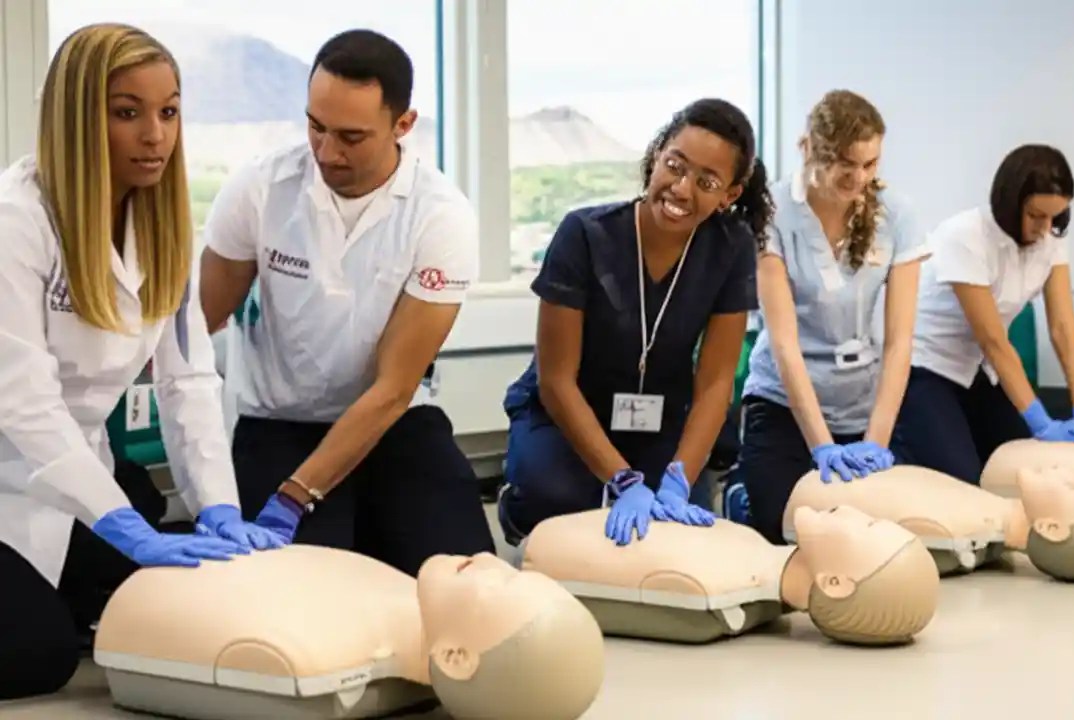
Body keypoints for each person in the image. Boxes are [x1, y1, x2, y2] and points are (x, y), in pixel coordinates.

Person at [0, 24, 288, 701]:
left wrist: (218, 506)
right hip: (14, 462)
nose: (155, 135)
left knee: (187, 594)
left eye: (168, 110)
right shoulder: (17, 221)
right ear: (78, 117)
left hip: (77, 476)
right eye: (127, 113)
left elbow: (187, 379)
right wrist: (122, 526)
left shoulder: (161, 222)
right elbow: (23, 403)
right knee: (35, 658)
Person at [198, 29, 495, 576]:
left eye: (351, 137)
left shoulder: (439, 216)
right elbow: (198, 323)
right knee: (302, 589)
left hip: (391, 421)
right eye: (316, 126)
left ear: (403, 125)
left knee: (462, 576)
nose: (327, 152)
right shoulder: (259, 188)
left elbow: (393, 388)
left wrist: (295, 497)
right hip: (279, 422)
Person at [496, 98, 774, 547]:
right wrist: (621, 479)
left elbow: (717, 381)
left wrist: (680, 477)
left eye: (706, 181)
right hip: (565, 410)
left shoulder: (730, 248)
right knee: (559, 500)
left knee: (681, 528)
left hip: (660, 418)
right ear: (657, 154)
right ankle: (520, 504)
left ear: (730, 195)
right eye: (675, 165)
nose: (682, 189)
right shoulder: (584, 234)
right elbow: (556, 381)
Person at [729, 90, 930, 544]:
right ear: (808, 149)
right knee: (784, 526)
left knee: (864, 530)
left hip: (861, 402)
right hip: (784, 400)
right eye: (846, 163)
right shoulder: (771, 212)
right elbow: (783, 342)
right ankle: (745, 491)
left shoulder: (897, 214)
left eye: (871, 164)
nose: (859, 177)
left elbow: (900, 341)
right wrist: (821, 446)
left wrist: (876, 443)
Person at [890, 145, 1074, 484]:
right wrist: (1041, 421)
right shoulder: (965, 236)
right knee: (962, 478)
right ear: (1009, 202)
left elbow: (1062, 327)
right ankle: (899, 445)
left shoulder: (1051, 238)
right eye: (1036, 215)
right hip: (925, 367)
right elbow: (992, 339)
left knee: (1021, 468)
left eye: (1055, 217)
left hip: (980, 373)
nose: (1045, 228)